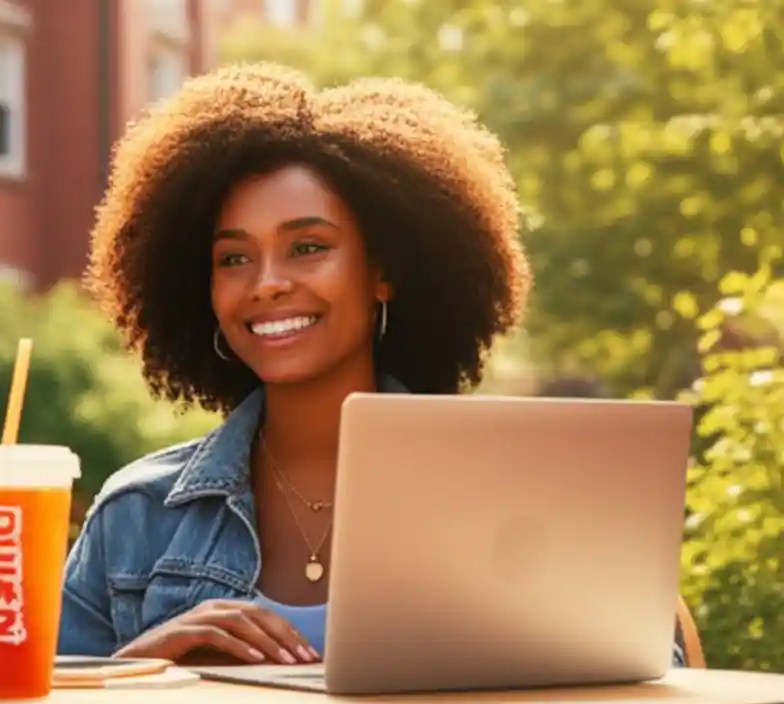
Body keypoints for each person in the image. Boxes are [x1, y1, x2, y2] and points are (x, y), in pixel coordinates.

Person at [57, 62, 681, 667]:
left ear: (382, 272)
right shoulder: (138, 515)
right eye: (234, 259)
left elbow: (655, 678)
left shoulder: (515, 493)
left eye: (307, 247)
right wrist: (145, 666)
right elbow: (52, 699)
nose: (267, 283)